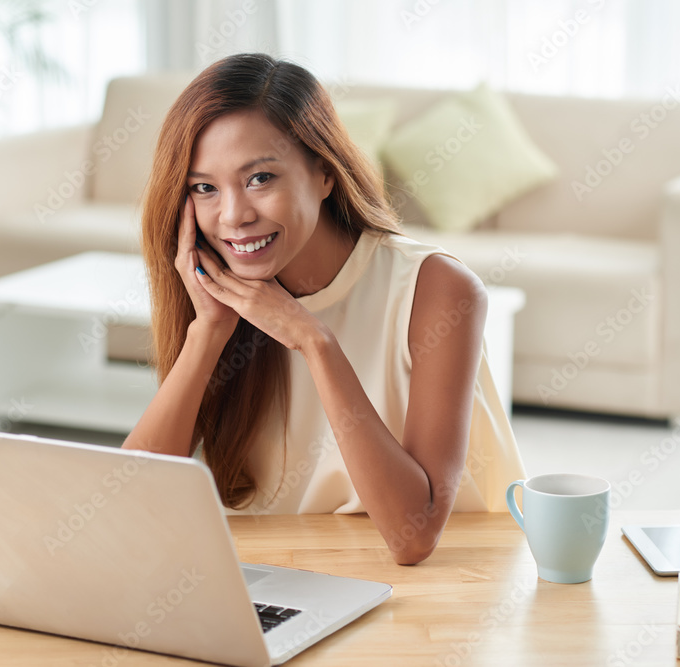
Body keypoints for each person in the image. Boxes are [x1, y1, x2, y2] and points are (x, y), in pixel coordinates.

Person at [122, 53, 525, 565]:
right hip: (289, 574)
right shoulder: (219, 302)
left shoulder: (436, 290)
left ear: (325, 173)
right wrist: (207, 334)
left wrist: (313, 340)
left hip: (441, 584)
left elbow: (413, 536)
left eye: (260, 178)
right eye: (204, 188)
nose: (233, 216)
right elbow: (131, 505)